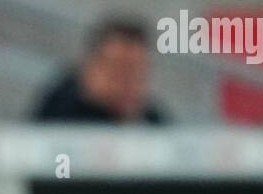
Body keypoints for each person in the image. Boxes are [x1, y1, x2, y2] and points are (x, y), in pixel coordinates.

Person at [32, 16, 168, 123]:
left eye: (137, 73)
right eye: (118, 71)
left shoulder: (153, 122)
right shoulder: (58, 115)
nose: (127, 83)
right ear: (91, 68)